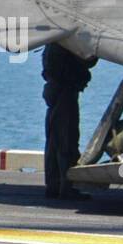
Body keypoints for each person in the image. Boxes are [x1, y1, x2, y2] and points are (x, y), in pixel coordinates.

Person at [42, 42, 96, 200]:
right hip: (65, 91)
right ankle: (67, 187)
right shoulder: (67, 43)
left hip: (56, 89)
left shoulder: (54, 42)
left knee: (54, 141)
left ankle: (53, 185)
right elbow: (87, 60)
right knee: (67, 140)